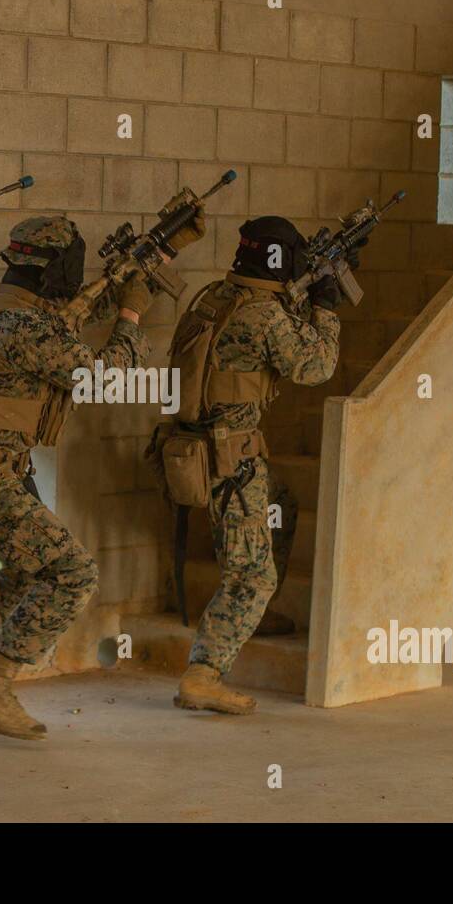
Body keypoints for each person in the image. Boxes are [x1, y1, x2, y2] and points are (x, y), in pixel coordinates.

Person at [0, 212, 204, 739]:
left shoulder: (7, 309)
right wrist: (132, 313)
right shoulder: (25, 326)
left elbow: (59, 334)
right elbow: (104, 382)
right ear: (57, 269)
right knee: (73, 573)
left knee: (28, 571)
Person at [161, 216, 352, 715]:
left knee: (281, 505)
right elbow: (316, 366)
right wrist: (325, 305)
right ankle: (203, 676)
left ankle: (249, 616)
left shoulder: (215, 296)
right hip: (232, 456)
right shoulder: (266, 315)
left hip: (198, 446)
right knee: (252, 575)